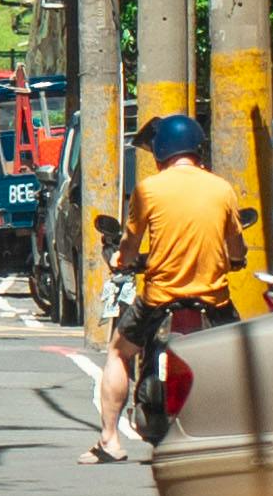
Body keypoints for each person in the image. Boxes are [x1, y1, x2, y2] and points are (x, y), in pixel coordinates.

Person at [100, 106, 248, 456]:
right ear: (197, 148)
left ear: (163, 150)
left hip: (158, 300)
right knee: (241, 358)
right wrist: (236, 260)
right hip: (214, 300)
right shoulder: (222, 189)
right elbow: (237, 247)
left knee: (118, 353)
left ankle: (109, 439)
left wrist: (119, 260)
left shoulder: (149, 189)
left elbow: (130, 246)